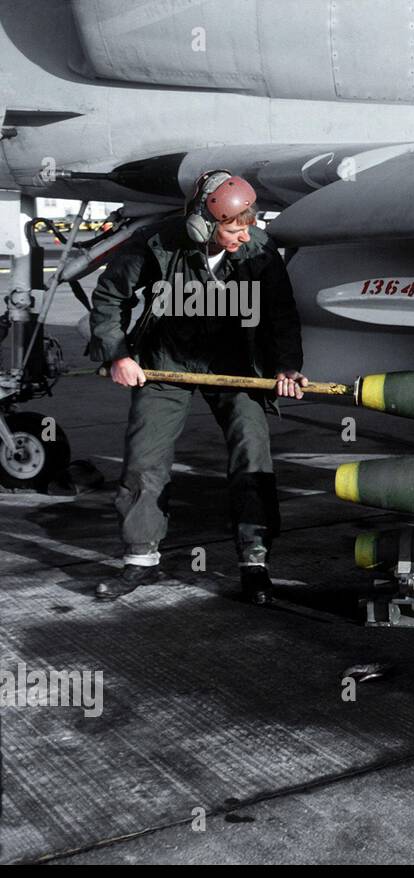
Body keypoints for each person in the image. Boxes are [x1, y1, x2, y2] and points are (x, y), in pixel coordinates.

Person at [87, 170, 307, 604]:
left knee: (252, 451)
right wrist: (119, 355)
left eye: (248, 226)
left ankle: (254, 559)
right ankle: (140, 560)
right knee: (144, 458)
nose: (244, 237)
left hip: (236, 367)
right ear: (203, 224)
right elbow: (111, 296)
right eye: (232, 228)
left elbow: (281, 316)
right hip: (166, 365)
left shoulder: (260, 251)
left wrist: (286, 368)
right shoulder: (159, 243)